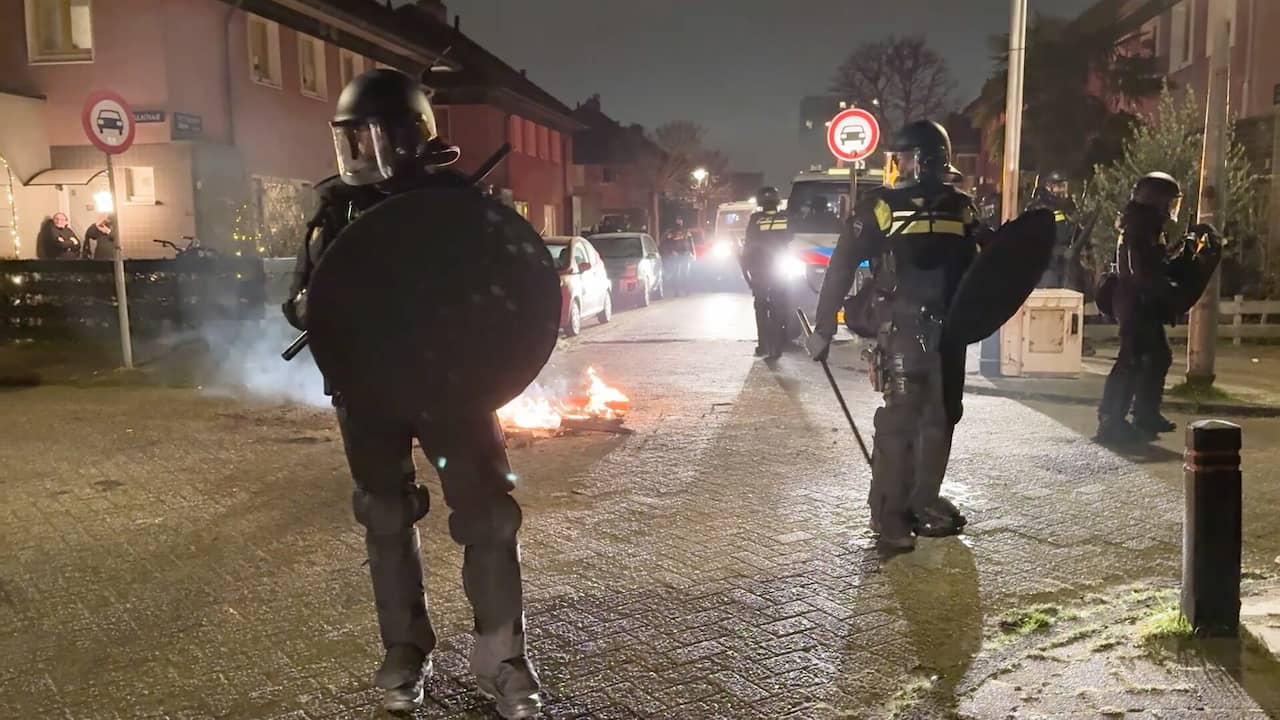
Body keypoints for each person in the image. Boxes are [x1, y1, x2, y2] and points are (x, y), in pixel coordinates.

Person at [281, 68, 541, 719]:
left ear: (405, 137)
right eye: (350, 139)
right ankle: (404, 651)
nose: (358, 153)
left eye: (368, 137)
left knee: (488, 514)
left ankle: (502, 658)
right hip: (368, 388)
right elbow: (300, 298)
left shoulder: (453, 204)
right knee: (385, 514)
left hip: (452, 386)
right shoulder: (335, 208)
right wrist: (317, 303)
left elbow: (501, 288)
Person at [806, 119, 986, 553]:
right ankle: (889, 514)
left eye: (902, 158)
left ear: (921, 160)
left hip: (935, 333)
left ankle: (920, 501)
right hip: (917, 332)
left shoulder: (931, 208)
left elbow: (842, 265)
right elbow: (842, 265)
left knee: (938, 417)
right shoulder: (957, 209)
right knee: (910, 419)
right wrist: (824, 326)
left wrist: (824, 328)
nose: (897, 166)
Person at [1096, 172, 1185, 445]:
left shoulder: (1148, 227)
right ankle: (1111, 419)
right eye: (1169, 201)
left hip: (1142, 299)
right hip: (1135, 301)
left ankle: (1145, 413)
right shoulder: (1138, 229)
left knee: (1158, 356)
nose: (1171, 208)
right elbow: (1139, 270)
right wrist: (1164, 288)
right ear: (1155, 201)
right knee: (1131, 359)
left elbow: (1152, 263)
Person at [740, 186, 791, 358]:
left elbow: (749, 244)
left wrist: (746, 270)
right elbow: (792, 238)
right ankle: (778, 342)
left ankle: (763, 345)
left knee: (761, 307)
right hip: (775, 268)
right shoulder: (786, 217)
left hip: (760, 270)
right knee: (781, 305)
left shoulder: (756, 219)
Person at [1026, 171, 1080, 288]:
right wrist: (1060, 251)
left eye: (1064, 186)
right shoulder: (1039, 210)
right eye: (1059, 186)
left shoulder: (1065, 209)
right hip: (1045, 271)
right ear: (1047, 187)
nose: (1062, 191)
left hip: (1062, 268)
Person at [661, 217, 695, 295]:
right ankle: (676, 291)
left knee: (686, 273)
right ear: (675, 221)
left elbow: (691, 242)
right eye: (678, 220)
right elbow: (667, 243)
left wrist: (693, 253)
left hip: (685, 254)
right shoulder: (671, 232)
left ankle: (687, 290)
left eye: (680, 220)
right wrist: (671, 251)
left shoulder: (686, 231)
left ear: (682, 221)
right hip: (676, 255)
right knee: (676, 274)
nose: (679, 222)